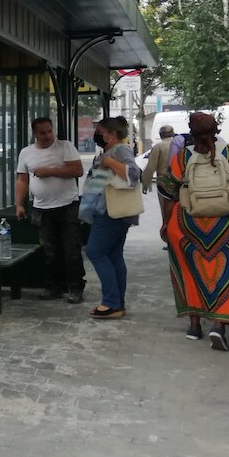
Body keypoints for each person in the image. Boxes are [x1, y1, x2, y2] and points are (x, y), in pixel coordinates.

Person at [157, 112, 229, 351]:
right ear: (216, 130)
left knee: (189, 272)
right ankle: (219, 325)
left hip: (187, 226)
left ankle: (194, 327)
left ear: (191, 132)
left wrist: (166, 224)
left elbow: (168, 193)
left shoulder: (183, 157)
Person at [15, 117, 86, 303]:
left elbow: (78, 170)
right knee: (49, 251)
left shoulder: (65, 146)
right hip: (41, 208)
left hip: (68, 206)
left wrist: (50, 171)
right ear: (34, 134)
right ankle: (53, 287)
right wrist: (19, 204)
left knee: (71, 250)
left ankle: (75, 287)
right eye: (42, 133)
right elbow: (22, 179)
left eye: (49, 131)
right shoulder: (26, 153)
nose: (47, 136)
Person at [78, 116, 140, 319]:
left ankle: (111, 302)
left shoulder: (120, 150)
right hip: (109, 211)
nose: (98, 135)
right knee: (113, 255)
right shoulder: (112, 151)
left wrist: (109, 162)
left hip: (111, 213)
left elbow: (133, 175)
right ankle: (117, 303)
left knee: (95, 252)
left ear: (111, 134)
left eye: (101, 132)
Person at [142, 125, 177, 248]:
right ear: (173, 133)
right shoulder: (180, 145)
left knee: (166, 212)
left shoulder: (158, 147)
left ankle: (169, 239)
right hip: (180, 182)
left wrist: (145, 184)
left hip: (164, 183)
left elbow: (151, 167)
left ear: (161, 135)